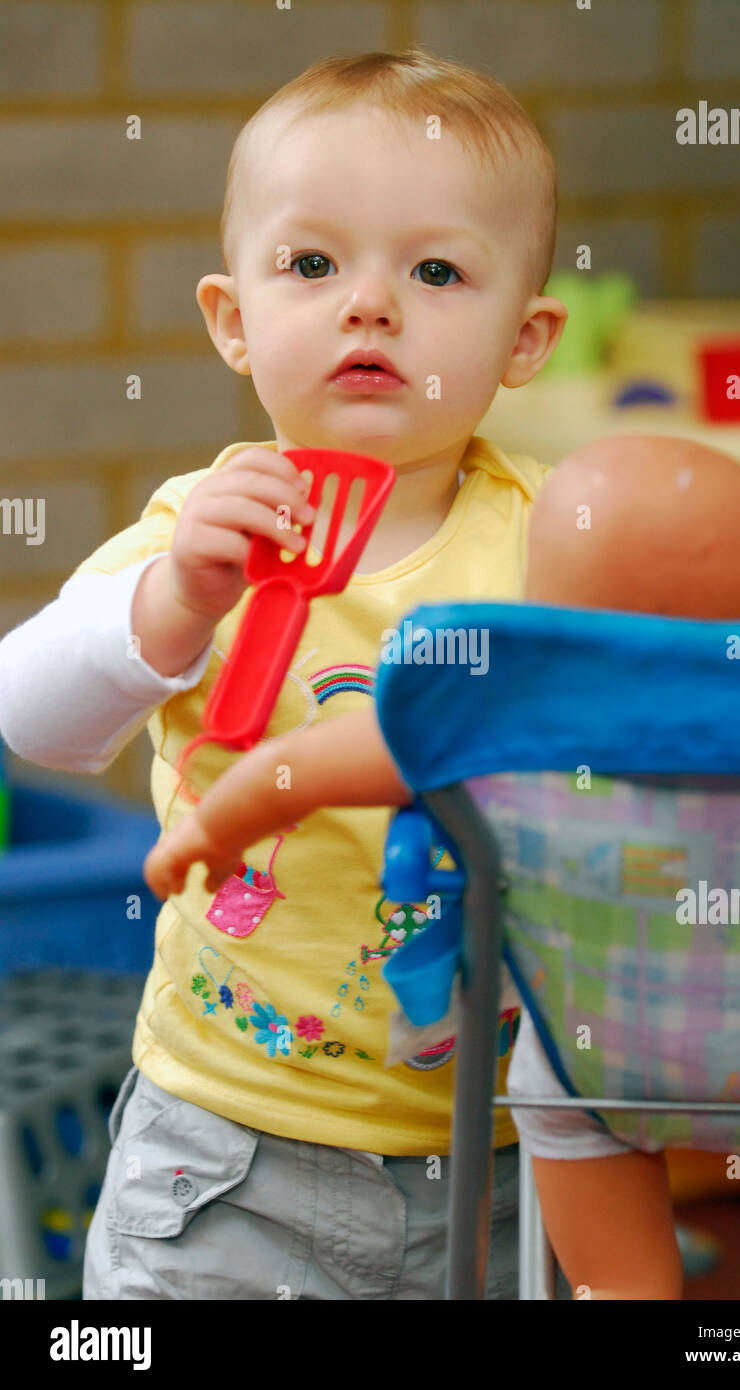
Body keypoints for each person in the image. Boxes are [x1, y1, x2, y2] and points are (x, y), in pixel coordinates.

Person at [0, 47, 569, 1300]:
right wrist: (178, 601)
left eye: (435, 271)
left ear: (524, 339)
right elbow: (28, 717)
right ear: (233, 320)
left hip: (504, 1160)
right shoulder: (201, 526)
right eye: (314, 265)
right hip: (223, 1150)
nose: (371, 305)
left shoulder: (560, 541)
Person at [145, 434, 740, 1300]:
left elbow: (305, 766)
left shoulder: (507, 720)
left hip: (591, 1064)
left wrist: (208, 832)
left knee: (619, 1278)